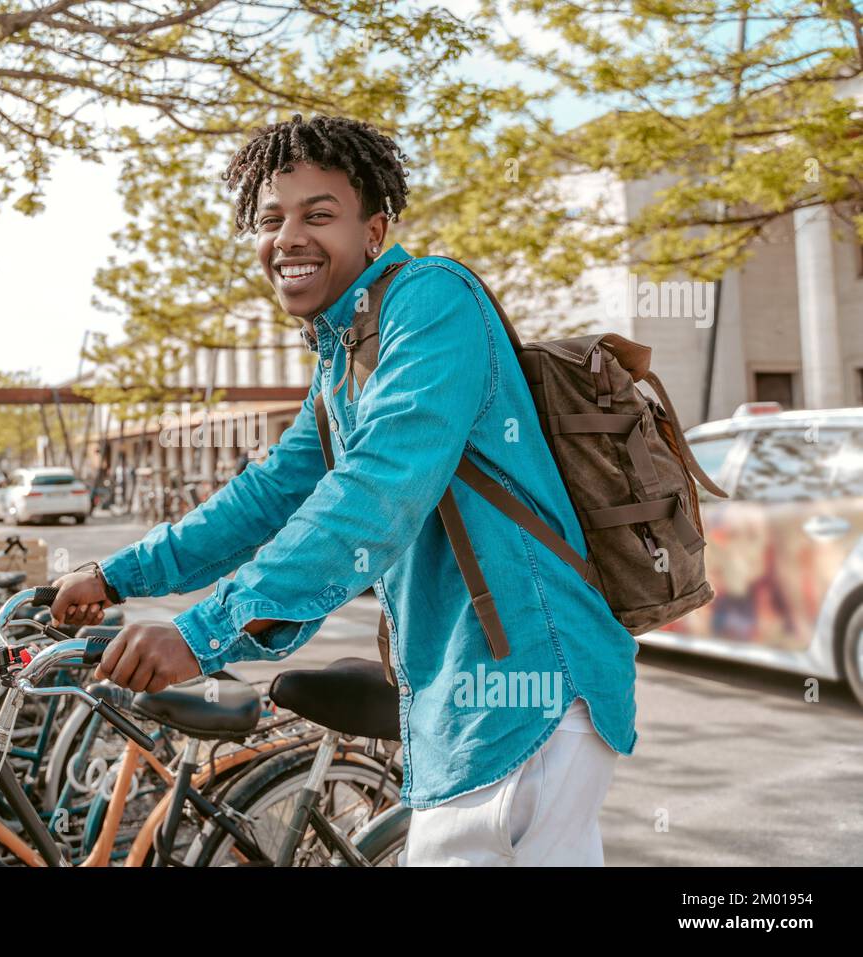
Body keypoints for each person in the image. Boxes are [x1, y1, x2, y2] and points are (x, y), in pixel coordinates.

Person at [50, 115, 636, 866]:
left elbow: (377, 492)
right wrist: (112, 573)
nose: (288, 237)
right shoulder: (341, 359)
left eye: (318, 214)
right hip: (470, 692)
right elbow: (263, 499)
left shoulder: (431, 301)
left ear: (375, 228)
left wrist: (202, 632)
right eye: (271, 219)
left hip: (526, 682)